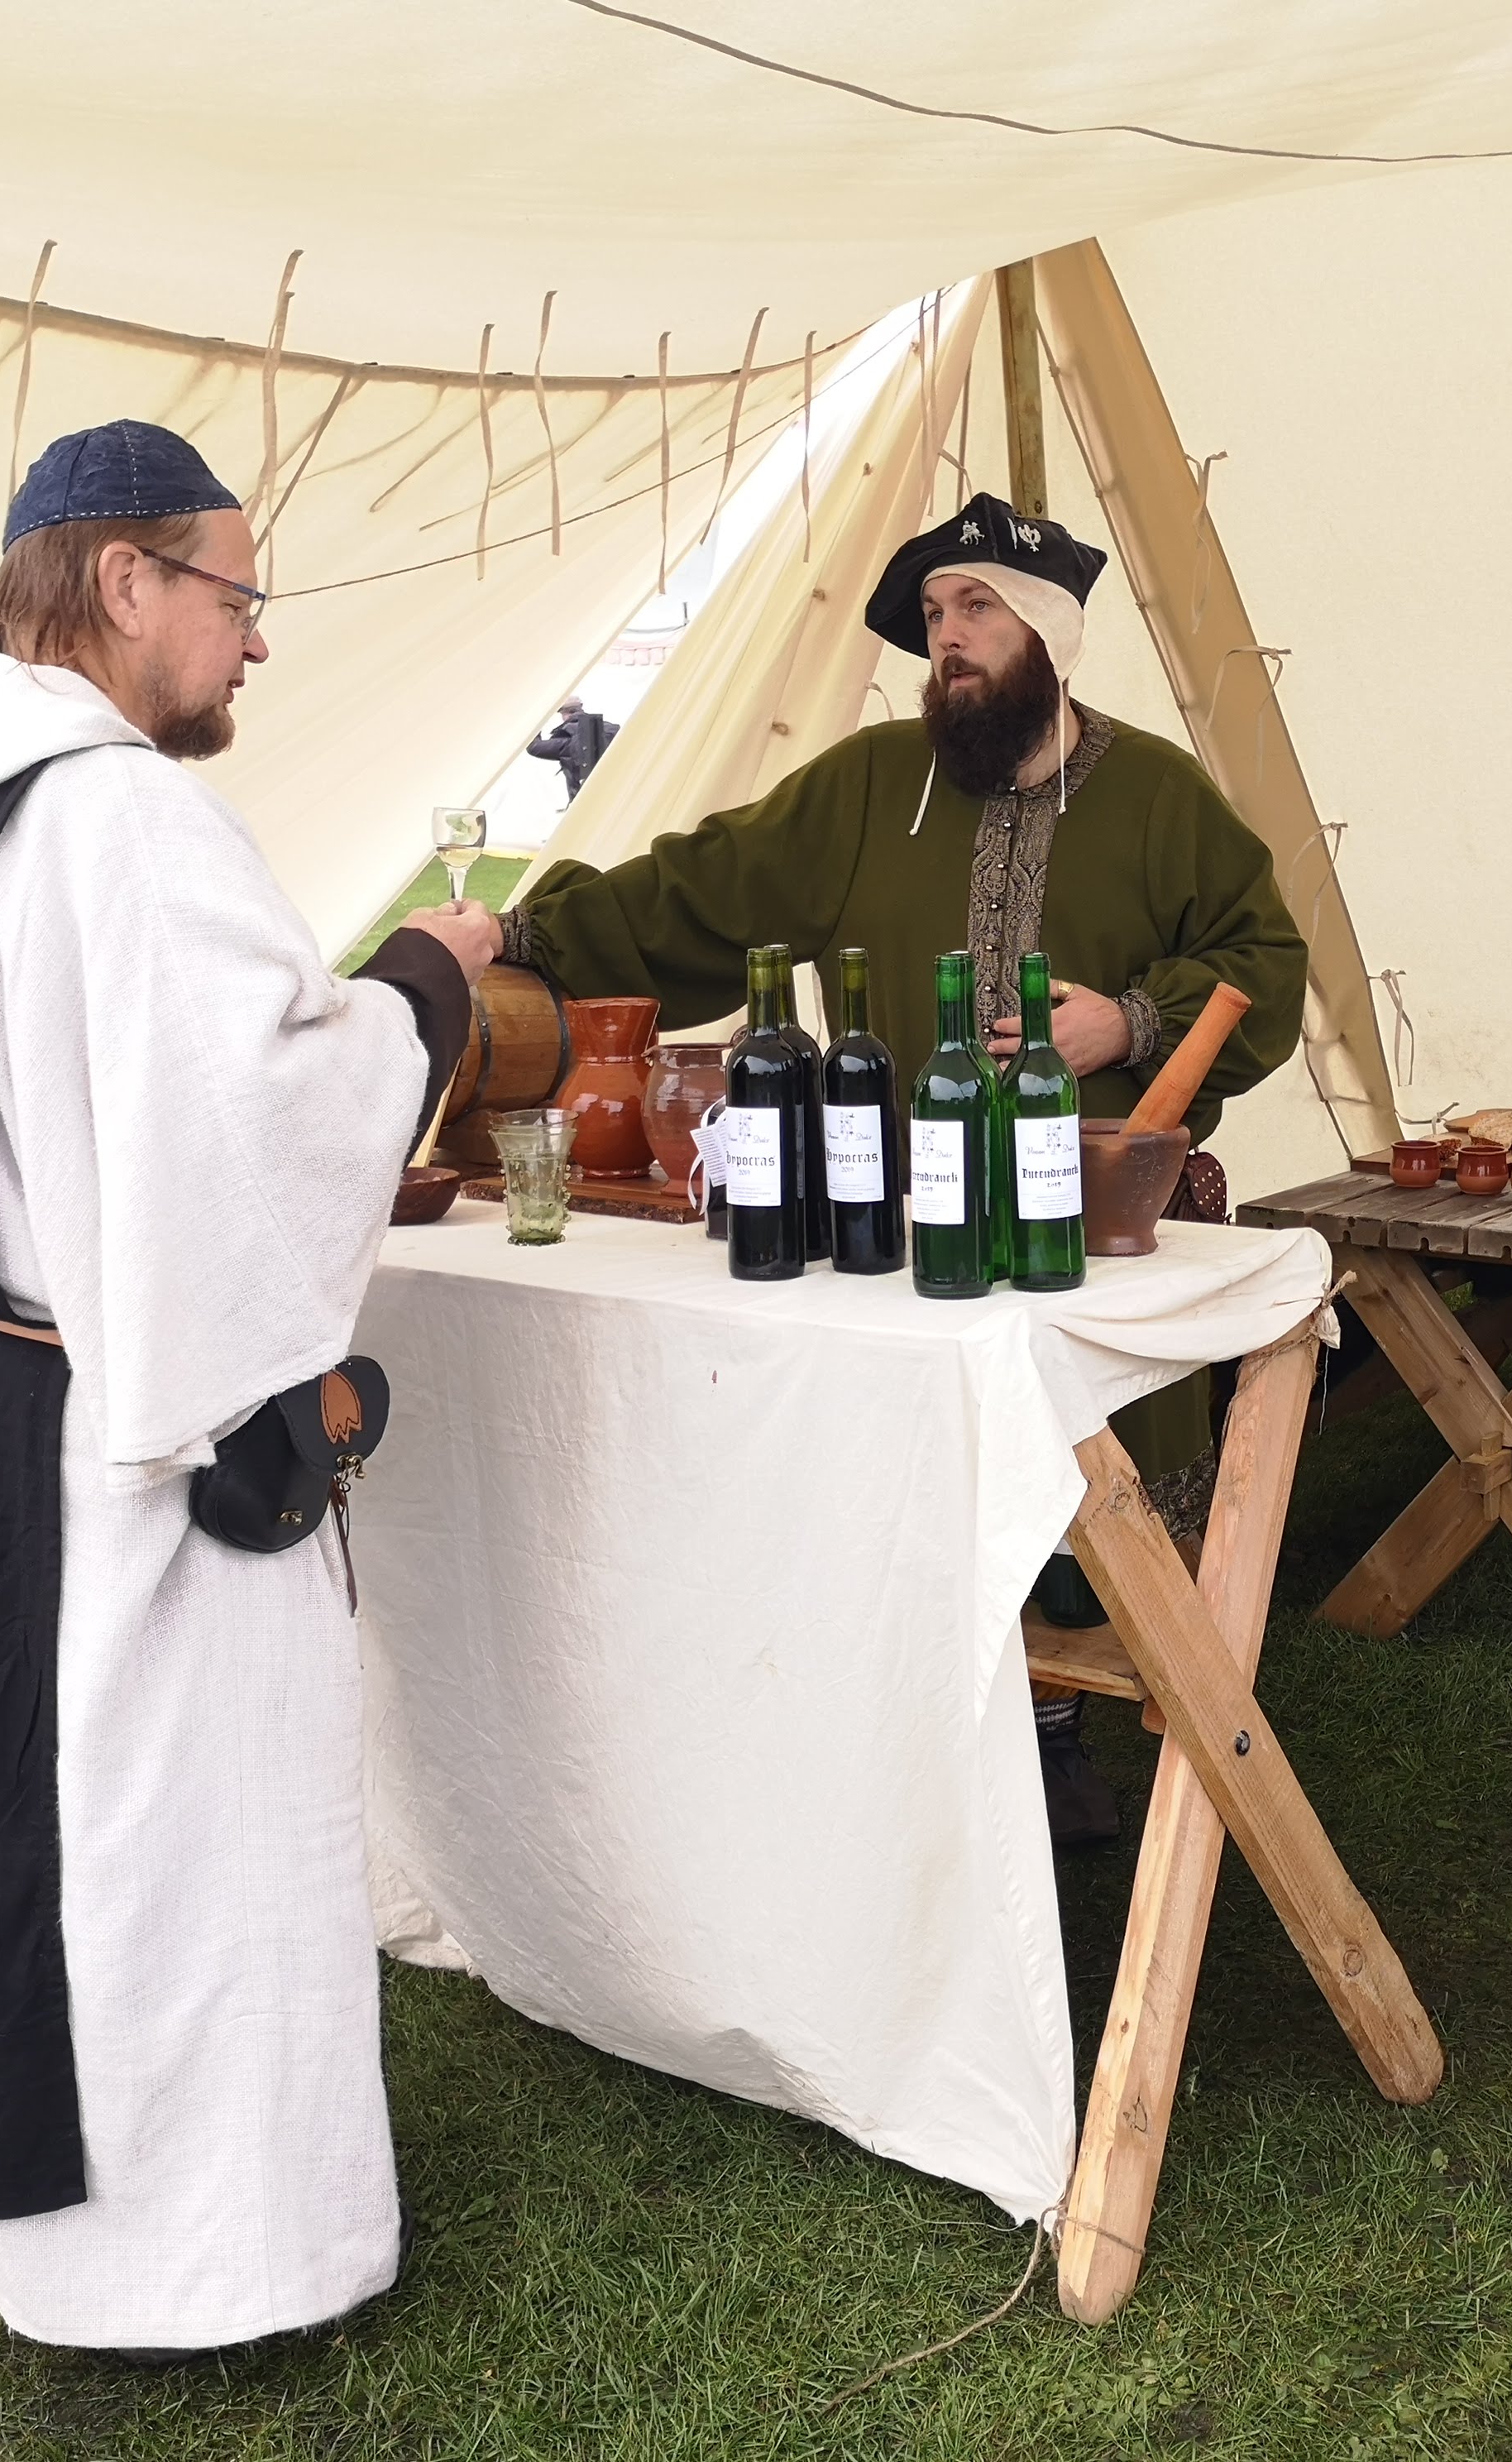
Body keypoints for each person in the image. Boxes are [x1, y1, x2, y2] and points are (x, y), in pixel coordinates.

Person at [0, 420, 502, 2352]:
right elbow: (249, 1118)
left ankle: (77, 2252)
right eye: (236, 595)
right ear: (123, 585)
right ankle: (216, 2272)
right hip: (113, 1429)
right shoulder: (111, 817)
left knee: (21, 1836)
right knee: (159, 1844)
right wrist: (425, 985)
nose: (252, 645)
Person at [502, 493, 1309, 1843]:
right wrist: (521, 933)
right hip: (902, 1228)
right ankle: (922, 1751)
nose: (947, 638)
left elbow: (1263, 965)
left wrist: (1131, 1018)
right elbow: (695, 896)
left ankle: (1054, 1745)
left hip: (1086, 1229)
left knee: (1078, 1505)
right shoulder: (872, 785)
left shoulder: (1158, 798)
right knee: (914, 1498)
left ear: (1051, 630)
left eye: (976, 607)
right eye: (933, 615)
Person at [526, 695, 619, 800]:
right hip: (616, 794)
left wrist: (535, 721)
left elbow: (534, 747)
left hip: (588, 801)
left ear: (565, 714)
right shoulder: (609, 729)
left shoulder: (568, 739)